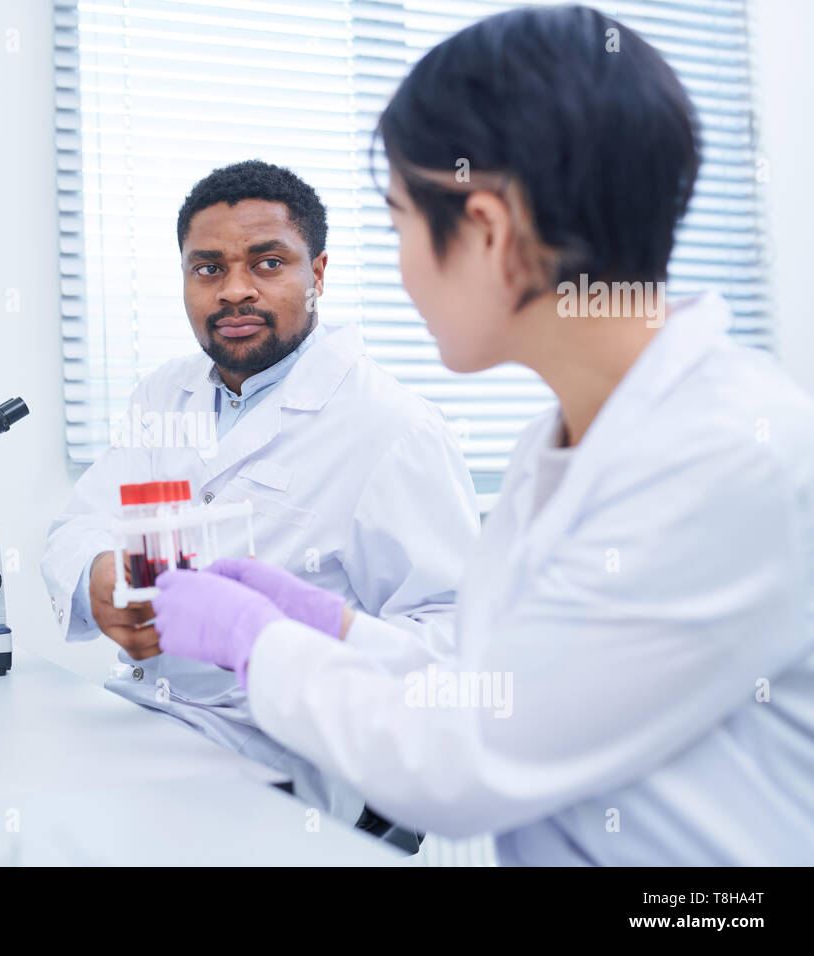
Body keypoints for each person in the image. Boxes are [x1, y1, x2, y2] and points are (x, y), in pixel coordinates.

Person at [151, 5, 814, 865]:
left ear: (489, 232)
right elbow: (500, 689)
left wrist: (255, 641)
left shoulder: (723, 458)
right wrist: (333, 628)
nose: (400, 267)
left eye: (399, 226)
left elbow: (459, 762)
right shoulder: (571, 437)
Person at [41, 160, 479, 842]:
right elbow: (80, 523)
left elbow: (451, 644)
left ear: (318, 275)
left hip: (278, 758)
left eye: (268, 263)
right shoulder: (165, 394)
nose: (234, 290)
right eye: (208, 268)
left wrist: (285, 637)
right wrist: (97, 573)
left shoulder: (394, 428)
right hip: (143, 722)